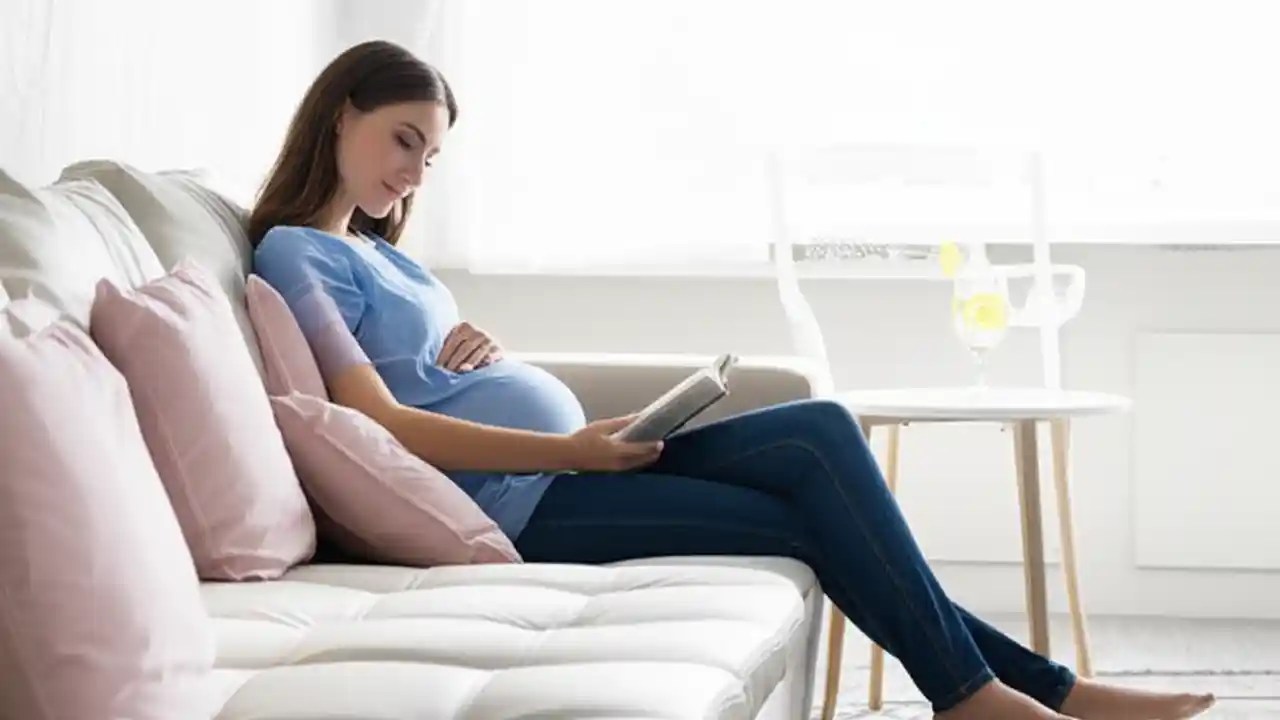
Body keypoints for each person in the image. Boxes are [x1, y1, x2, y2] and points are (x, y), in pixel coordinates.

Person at [249, 40, 1216, 720]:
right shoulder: (297, 252)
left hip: (564, 470)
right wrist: (572, 447)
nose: (415, 171)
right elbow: (379, 421)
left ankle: (1020, 692)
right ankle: (1005, 694)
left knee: (818, 432)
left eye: (432, 153)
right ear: (343, 114)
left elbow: (415, 373)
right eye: (403, 139)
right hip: (520, 507)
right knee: (813, 514)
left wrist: (477, 349)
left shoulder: (379, 255)